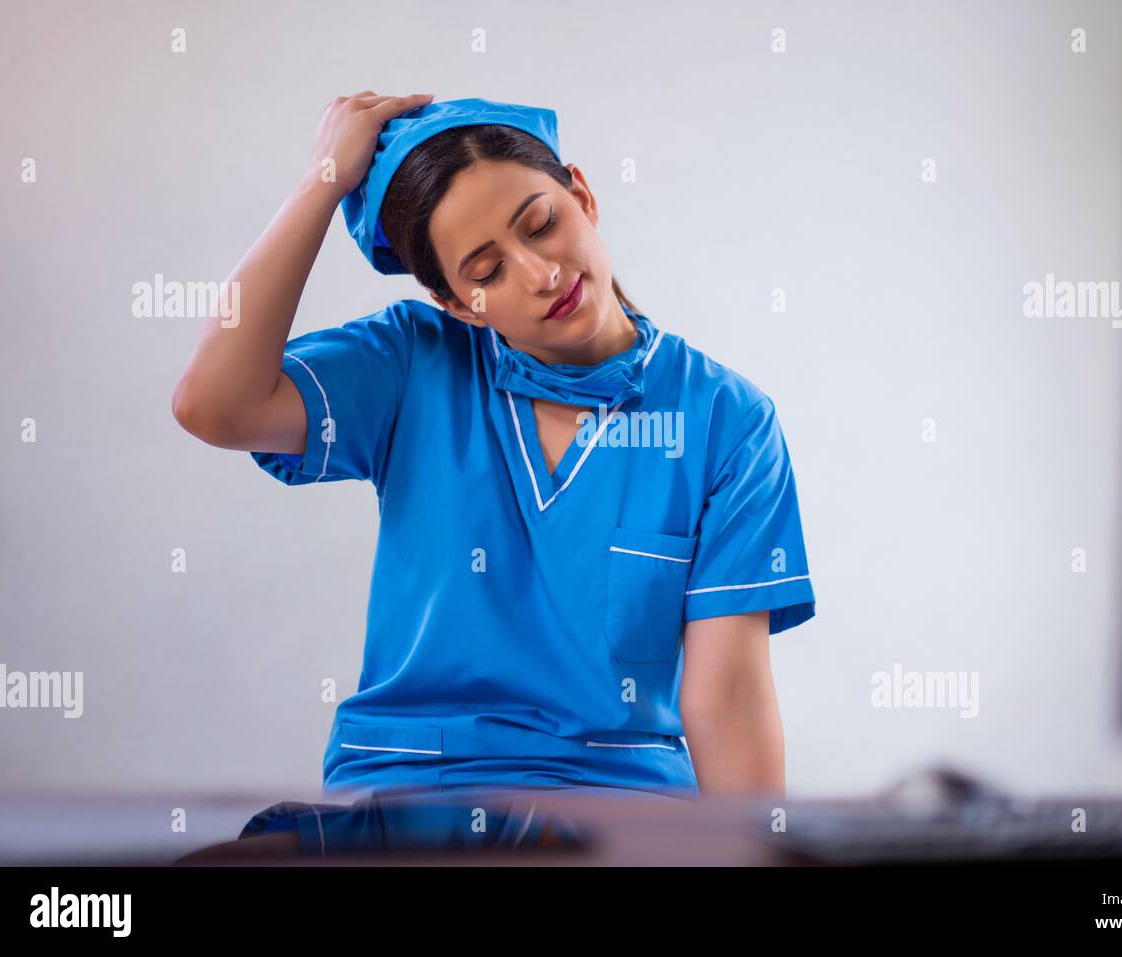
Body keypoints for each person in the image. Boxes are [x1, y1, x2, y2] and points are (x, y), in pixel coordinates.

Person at [171, 93, 816, 859]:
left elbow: (727, 703)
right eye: (487, 270)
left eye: (542, 223)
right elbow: (214, 403)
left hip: (615, 815)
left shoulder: (727, 421)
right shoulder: (410, 364)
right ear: (457, 303)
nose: (543, 274)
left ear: (582, 193)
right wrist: (322, 180)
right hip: (405, 806)